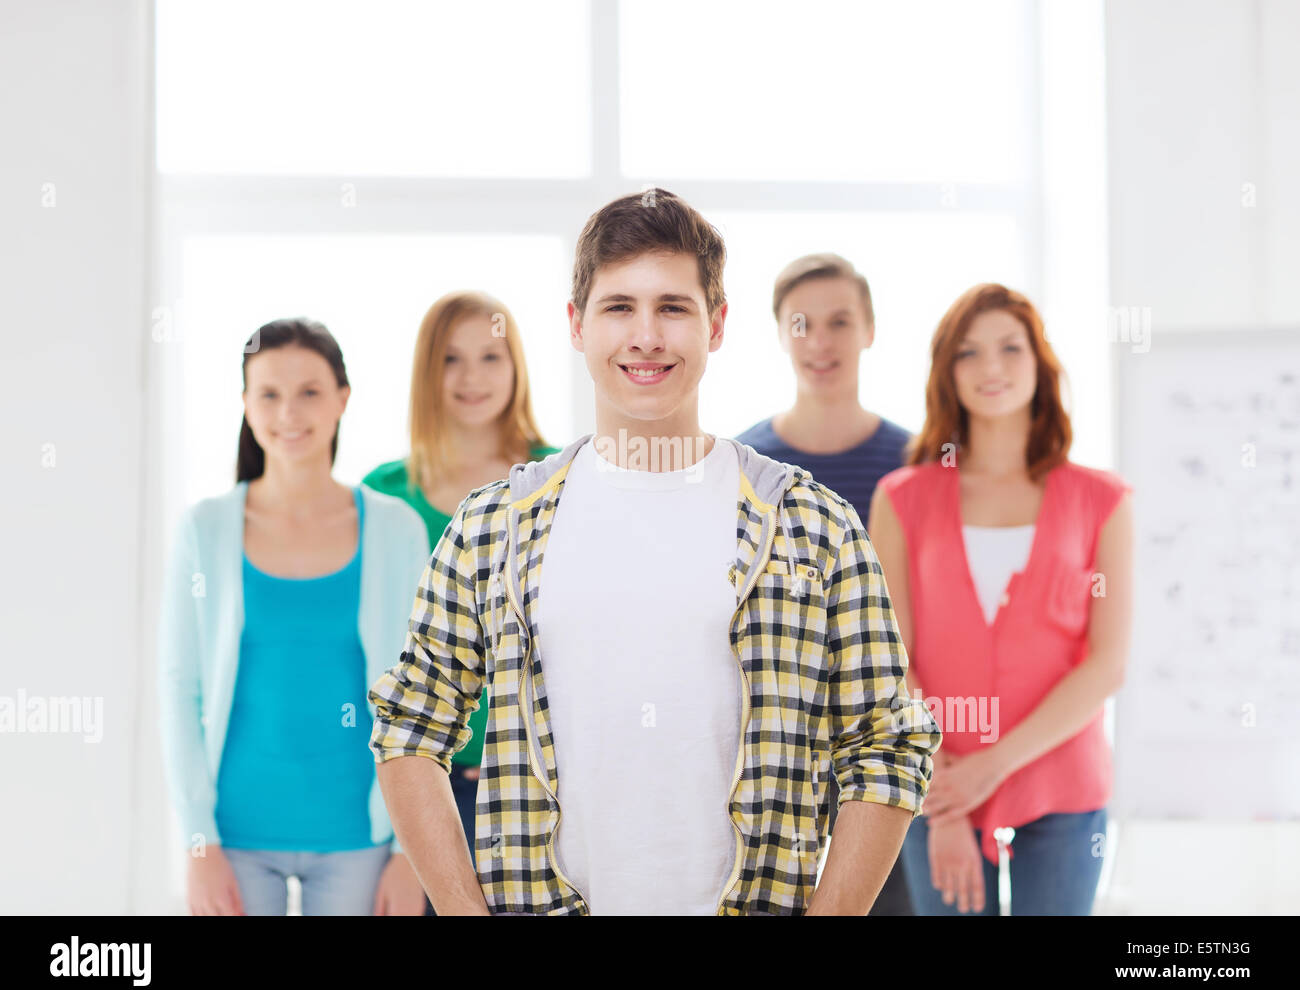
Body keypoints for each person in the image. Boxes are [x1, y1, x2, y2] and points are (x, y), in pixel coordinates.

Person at [367, 189, 941, 915]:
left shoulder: (811, 524)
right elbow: (411, 728)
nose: (646, 336)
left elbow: (886, 743)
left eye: (673, 307)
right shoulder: (493, 527)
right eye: (618, 308)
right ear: (576, 326)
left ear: (717, 324)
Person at [869, 283, 1134, 915]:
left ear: (1040, 364)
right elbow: (890, 661)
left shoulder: (1103, 500)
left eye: (1010, 348)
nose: (991, 367)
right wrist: (945, 798)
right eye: (968, 353)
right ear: (946, 372)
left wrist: (992, 767)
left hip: (1064, 784)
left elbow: (1106, 664)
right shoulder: (902, 498)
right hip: (939, 778)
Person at [157, 318, 430, 916]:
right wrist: (198, 843)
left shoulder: (394, 528)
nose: (290, 413)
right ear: (246, 406)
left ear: (342, 398)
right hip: (235, 839)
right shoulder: (203, 529)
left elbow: (420, 694)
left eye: (309, 391)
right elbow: (179, 691)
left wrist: (409, 853)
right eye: (270, 394)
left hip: (362, 837)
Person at [735, 252, 914, 914]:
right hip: (778, 750)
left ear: (869, 329)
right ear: (780, 333)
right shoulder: (745, 468)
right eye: (802, 323)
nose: (820, 341)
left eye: (840, 321)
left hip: (884, 739)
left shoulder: (916, 464)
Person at [362, 291, 558, 873]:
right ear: (427, 372)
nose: (472, 377)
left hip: (538, 791)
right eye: (451, 359)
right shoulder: (381, 495)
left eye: (490, 357)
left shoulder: (562, 478)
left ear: (517, 368)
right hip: (416, 791)